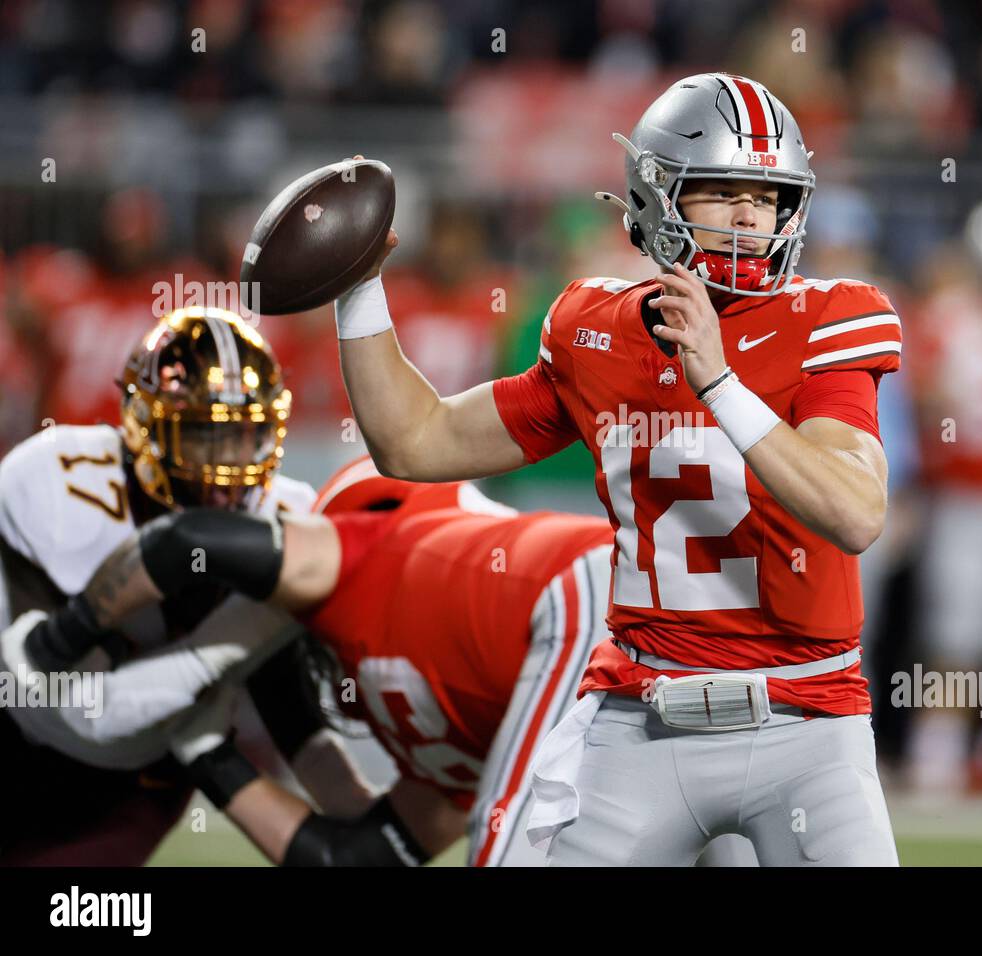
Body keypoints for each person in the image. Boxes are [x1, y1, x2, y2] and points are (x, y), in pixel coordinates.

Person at [329, 73, 901, 865]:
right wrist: (357, 290)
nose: (749, 217)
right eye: (722, 192)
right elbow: (416, 442)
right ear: (656, 198)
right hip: (640, 717)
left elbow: (856, 512)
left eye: (767, 197)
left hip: (807, 722)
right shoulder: (594, 331)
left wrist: (721, 382)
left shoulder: (830, 318)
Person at [47, 455, 759, 866]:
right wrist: (212, 755)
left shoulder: (365, 551)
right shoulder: (466, 732)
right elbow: (352, 861)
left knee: (511, 844)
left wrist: (57, 640)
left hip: (596, 598)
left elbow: (183, 541)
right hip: (654, 640)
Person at [0, 307, 361, 865]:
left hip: (132, 782)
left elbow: (288, 706)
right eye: (202, 436)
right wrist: (207, 681)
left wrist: (369, 820)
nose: (228, 466)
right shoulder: (61, 482)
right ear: (144, 425)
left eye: (245, 436)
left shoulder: (284, 515)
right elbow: (54, 700)